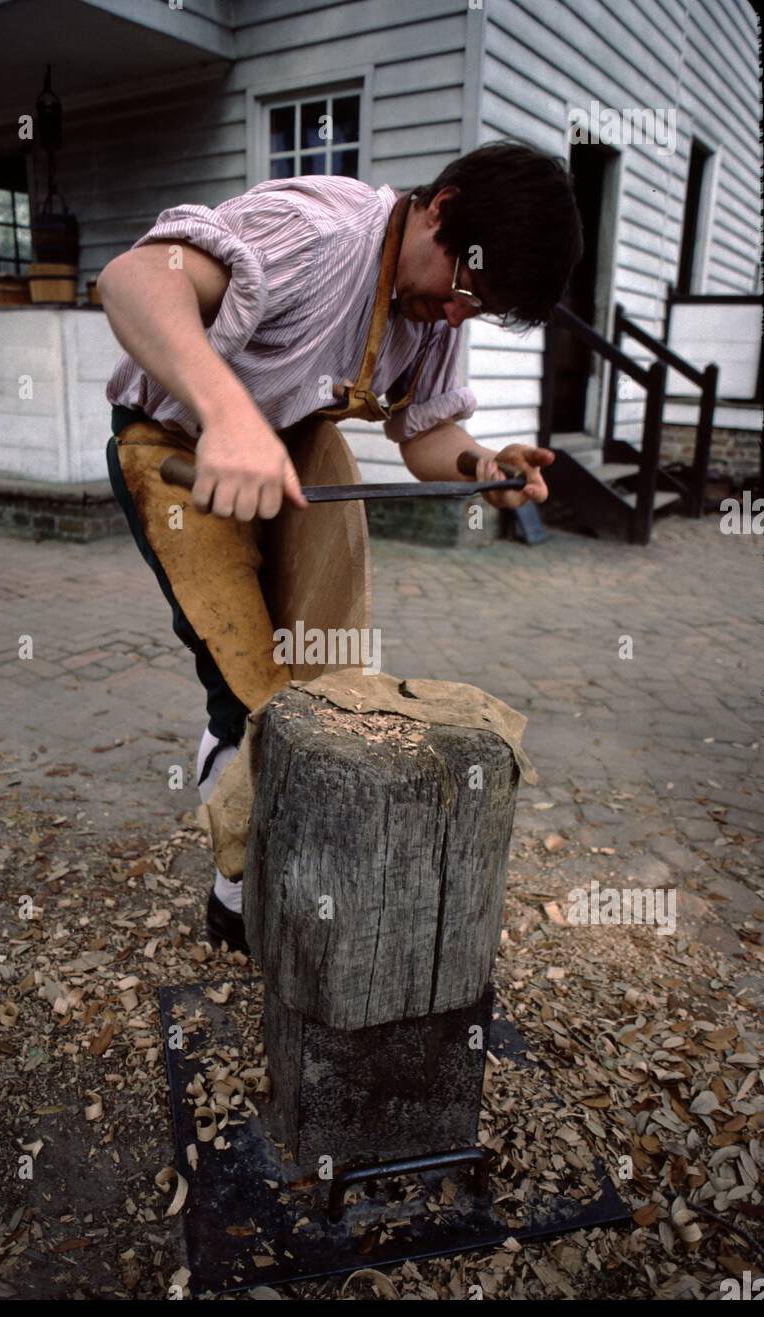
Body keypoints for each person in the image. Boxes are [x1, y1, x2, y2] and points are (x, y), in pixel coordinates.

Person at [99, 139, 584, 954]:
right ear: (442, 209)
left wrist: (482, 465)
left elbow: (426, 432)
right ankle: (235, 893)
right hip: (178, 457)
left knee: (323, 684)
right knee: (251, 686)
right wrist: (228, 417)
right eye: (468, 286)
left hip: (291, 462)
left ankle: (302, 861)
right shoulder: (315, 232)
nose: (463, 312)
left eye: (485, 305)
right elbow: (133, 281)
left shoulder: (438, 303)